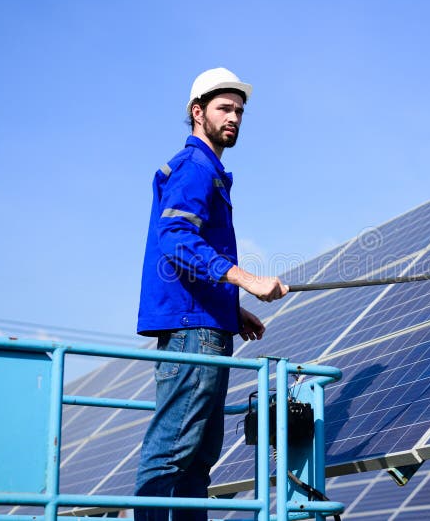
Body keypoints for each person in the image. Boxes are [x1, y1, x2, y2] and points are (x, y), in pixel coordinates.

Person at [134, 68, 288, 521]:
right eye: (224, 108)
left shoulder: (208, 170)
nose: (234, 117)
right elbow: (176, 238)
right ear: (197, 112)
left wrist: (231, 309)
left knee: (197, 460)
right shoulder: (196, 166)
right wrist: (247, 279)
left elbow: (190, 255)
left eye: (239, 111)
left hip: (205, 324)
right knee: (173, 452)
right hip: (193, 331)